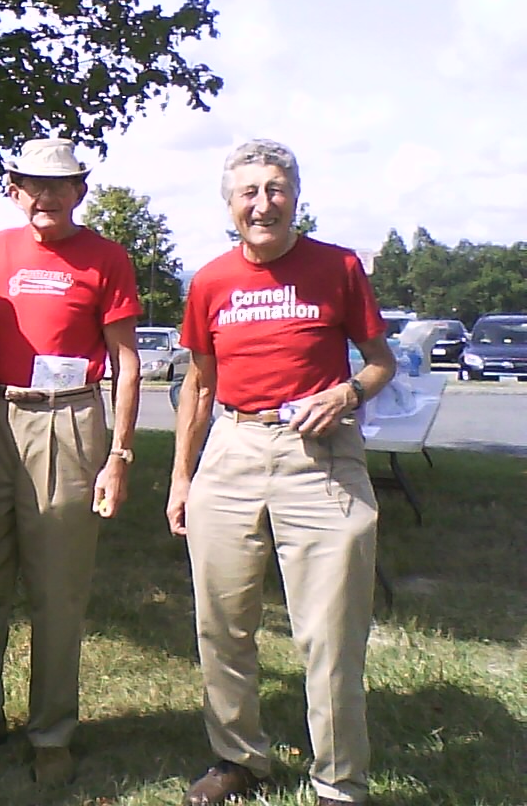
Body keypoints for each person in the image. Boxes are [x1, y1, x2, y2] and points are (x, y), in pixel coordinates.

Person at [166, 139, 396, 806]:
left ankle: (338, 781)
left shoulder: (338, 267)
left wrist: (347, 392)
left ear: (295, 196)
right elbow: (199, 388)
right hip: (232, 448)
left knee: (328, 627)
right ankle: (238, 758)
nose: (262, 204)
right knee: (221, 619)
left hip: (318, 454)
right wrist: (183, 479)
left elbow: (380, 361)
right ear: (230, 205)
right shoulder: (209, 281)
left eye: (275, 189)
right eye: (249, 192)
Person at [0, 137, 142, 784]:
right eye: (33, 183)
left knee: (57, 589)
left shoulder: (106, 258)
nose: (47, 195)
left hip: (69, 419)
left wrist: (119, 456)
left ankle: (52, 731)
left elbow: (128, 363)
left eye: (61, 184)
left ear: (80, 191)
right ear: (12, 188)